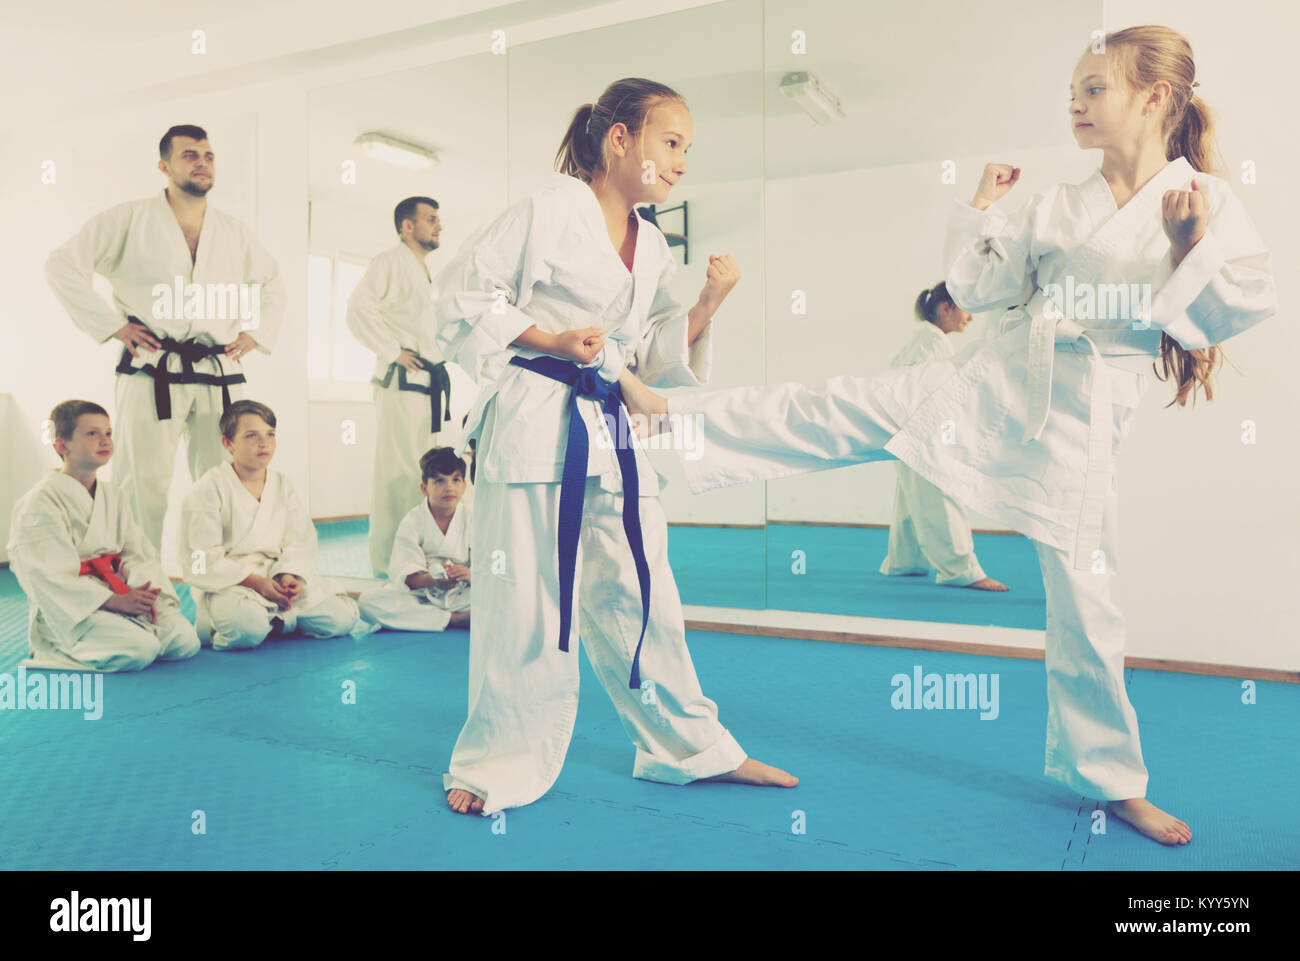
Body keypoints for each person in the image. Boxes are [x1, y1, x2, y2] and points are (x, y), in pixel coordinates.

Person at [618, 27, 1275, 845]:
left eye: (1095, 87)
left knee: (1088, 606)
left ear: (1156, 97)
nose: (1075, 102)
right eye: (1073, 87)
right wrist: (981, 208)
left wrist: (1188, 248)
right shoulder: (1057, 202)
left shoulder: (1206, 201)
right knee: (837, 405)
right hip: (999, 378)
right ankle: (671, 415)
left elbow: (1236, 308)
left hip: (1083, 414)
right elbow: (975, 289)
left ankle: (1112, 780)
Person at [433, 78, 797, 816]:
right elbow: (463, 296)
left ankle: (689, 747)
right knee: (526, 604)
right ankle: (495, 759)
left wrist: (705, 305)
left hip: (609, 431)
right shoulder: (547, 209)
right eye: (672, 142)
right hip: (535, 423)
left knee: (644, 592)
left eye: (687, 149)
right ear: (619, 138)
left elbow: (655, 359)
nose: (683, 161)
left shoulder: (656, 243)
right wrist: (551, 339)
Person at [45, 124, 285, 552]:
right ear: (164, 165)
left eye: (208, 155)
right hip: (152, 366)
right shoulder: (128, 219)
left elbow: (273, 282)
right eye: (190, 155)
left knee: (224, 478)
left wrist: (257, 333)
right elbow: (62, 264)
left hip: (218, 368)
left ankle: (225, 578)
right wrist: (112, 326)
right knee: (144, 482)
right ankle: (142, 577)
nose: (202, 162)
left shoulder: (234, 231)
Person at [7, 400, 200, 671]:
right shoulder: (38, 503)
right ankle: (51, 648)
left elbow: (137, 553)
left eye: (108, 433)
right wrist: (113, 601)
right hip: (73, 609)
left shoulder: (114, 495)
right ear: (62, 445)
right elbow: (47, 575)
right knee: (140, 650)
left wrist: (143, 592)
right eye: (92, 433)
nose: (104, 440)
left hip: (118, 591)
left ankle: (124, 630)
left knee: (184, 641)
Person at [179, 400, 359, 650]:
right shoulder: (208, 489)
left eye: (270, 434)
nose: (263, 443)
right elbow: (199, 558)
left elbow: (301, 540)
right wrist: (256, 583)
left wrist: (288, 575)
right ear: (227, 444)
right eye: (251, 435)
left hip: (275, 575)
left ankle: (274, 619)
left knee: (342, 617)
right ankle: (260, 620)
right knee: (246, 628)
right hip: (233, 584)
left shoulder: (283, 485)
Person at [346, 197, 454, 576]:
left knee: (422, 472)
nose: (438, 226)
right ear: (407, 226)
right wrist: (393, 351)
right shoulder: (389, 261)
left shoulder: (424, 271)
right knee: (397, 473)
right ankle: (389, 562)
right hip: (401, 383)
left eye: (438, 219)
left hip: (426, 383)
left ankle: (416, 556)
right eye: (430, 219)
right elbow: (358, 309)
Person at [878, 283, 1006, 591]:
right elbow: (928, 392)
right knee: (937, 494)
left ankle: (905, 562)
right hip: (918, 431)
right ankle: (962, 570)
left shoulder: (927, 339)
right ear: (946, 308)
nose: (971, 318)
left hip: (905, 429)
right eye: (967, 309)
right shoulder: (930, 342)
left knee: (912, 500)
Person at [358, 447, 472, 632]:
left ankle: (430, 619)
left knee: (510, 595)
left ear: (464, 486)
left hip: (463, 594)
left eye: (455, 479)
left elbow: (488, 566)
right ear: (424, 488)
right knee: (368, 603)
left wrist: (470, 575)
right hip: (423, 595)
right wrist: (435, 580)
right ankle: (454, 619)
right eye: (439, 480)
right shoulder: (413, 520)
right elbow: (408, 576)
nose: (449, 487)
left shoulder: (472, 517)